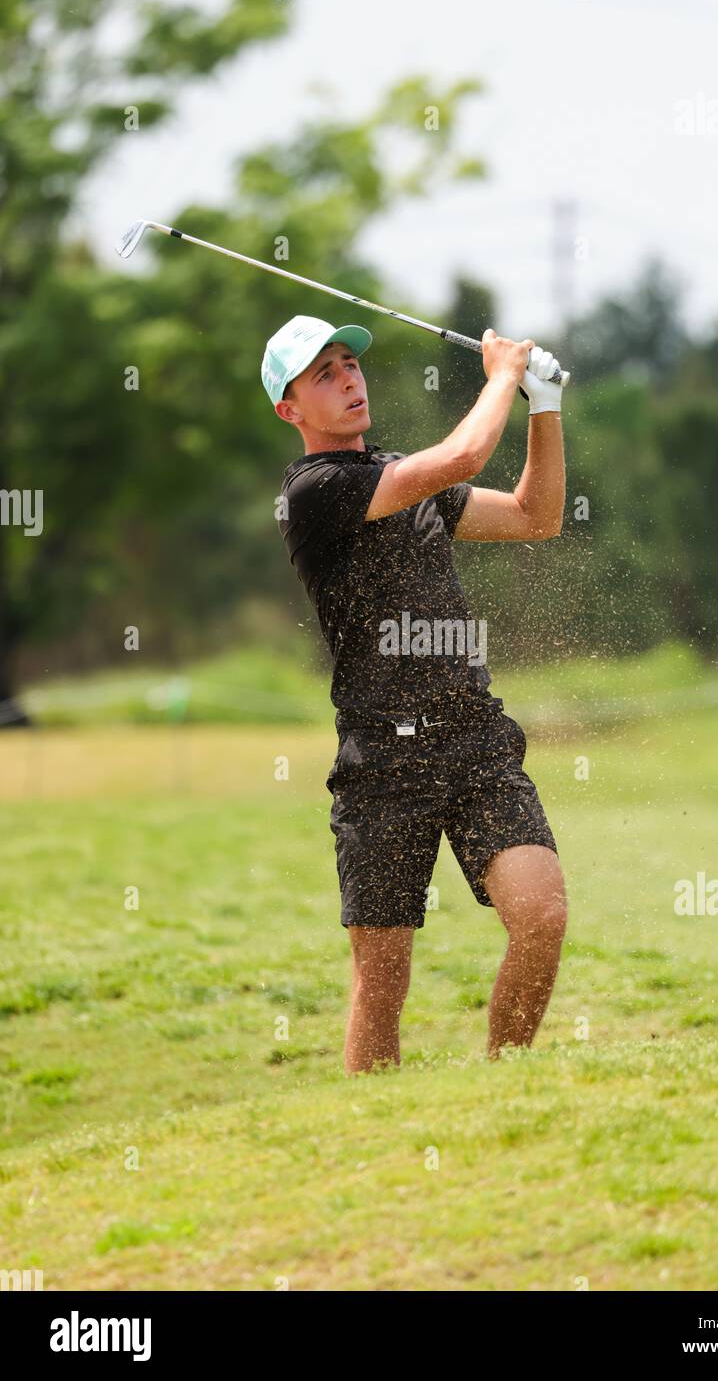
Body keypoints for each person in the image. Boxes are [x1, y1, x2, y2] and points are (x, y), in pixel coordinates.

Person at [264, 314, 568, 1073]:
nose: (347, 379)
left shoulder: (413, 482)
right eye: (323, 374)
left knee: (541, 917)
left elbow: (537, 518)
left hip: (474, 739)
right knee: (382, 980)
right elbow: (463, 451)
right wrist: (501, 374)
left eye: (349, 364)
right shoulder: (316, 491)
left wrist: (545, 406)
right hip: (381, 763)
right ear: (290, 408)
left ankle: (507, 1083)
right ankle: (375, 1132)